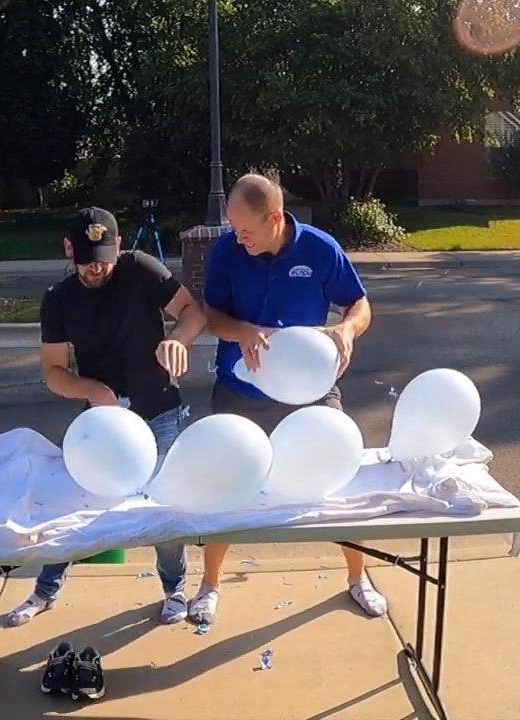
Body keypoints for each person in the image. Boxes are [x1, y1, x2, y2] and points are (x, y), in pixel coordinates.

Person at [190, 173, 388, 626]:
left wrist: (346, 329)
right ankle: (210, 585)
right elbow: (211, 316)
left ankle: (359, 578)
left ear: (275, 218)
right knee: (225, 487)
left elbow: (359, 304)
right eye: (234, 230)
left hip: (311, 391)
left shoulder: (319, 250)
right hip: (242, 388)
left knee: (339, 482)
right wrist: (242, 331)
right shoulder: (226, 252)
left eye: (246, 231)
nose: (238, 239)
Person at [4, 206, 207, 628]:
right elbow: (54, 373)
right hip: (101, 423)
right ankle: (45, 590)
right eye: (85, 258)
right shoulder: (59, 300)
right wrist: (91, 390)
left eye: (103, 256)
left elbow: (193, 312)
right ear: (67, 249)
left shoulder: (141, 270)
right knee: (76, 503)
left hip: (159, 411)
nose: (95, 267)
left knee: (162, 506)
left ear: (117, 245)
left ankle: (175, 589)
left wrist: (177, 339)